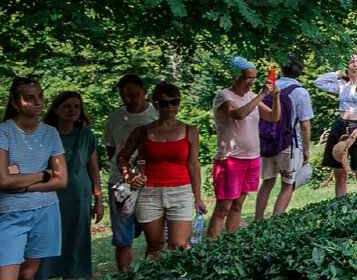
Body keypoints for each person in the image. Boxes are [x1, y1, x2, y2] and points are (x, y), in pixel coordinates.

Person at [0, 77, 67, 280]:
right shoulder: (4, 132)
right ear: (15, 102)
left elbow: (62, 180)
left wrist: (22, 183)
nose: (37, 102)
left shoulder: (51, 133)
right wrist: (41, 175)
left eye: (40, 96)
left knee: (27, 279)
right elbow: (3, 180)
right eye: (29, 98)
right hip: (9, 216)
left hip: (45, 213)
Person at [27, 92, 103, 280]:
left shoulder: (86, 135)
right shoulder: (43, 134)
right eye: (67, 106)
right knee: (40, 247)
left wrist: (98, 198)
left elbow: (93, 168)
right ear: (56, 109)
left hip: (78, 199)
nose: (73, 110)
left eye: (77, 107)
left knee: (75, 244)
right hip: (48, 197)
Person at [116, 82, 205, 260]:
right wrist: (131, 176)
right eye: (164, 103)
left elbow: (193, 165)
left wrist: (198, 197)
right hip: (149, 193)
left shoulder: (190, 130)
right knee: (155, 245)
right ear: (156, 104)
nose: (170, 107)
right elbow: (121, 158)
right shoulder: (142, 131)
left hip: (181, 191)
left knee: (179, 245)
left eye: (174, 102)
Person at [208, 58, 279, 238]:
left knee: (238, 204)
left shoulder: (251, 96)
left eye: (254, 78)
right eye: (247, 78)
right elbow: (239, 114)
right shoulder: (224, 96)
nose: (251, 82)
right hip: (230, 158)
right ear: (234, 77)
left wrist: (275, 98)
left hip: (251, 157)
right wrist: (262, 95)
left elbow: (272, 117)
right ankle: (209, 247)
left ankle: (230, 243)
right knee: (223, 207)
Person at [101, 74, 157, 271]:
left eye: (132, 95)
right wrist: (127, 175)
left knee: (156, 235)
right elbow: (111, 149)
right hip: (121, 184)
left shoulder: (157, 114)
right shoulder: (114, 119)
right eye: (123, 96)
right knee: (123, 237)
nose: (127, 100)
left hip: (152, 183)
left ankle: (155, 279)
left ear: (144, 91)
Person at [255, 54, 314, 219]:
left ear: (281, 69)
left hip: (267, 142)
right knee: (287, 185)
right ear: (300, 72)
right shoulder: (301, 93)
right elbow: (305, 124)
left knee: (267, 182)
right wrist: (306, 149)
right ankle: (275, 222)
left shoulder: (266, 89)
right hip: (290, 144)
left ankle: (257, 221)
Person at [315, 52, 357, 196]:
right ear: (347, 66)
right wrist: (338, 73)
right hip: (339, 127)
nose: (355, 64)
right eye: (351, 62)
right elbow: (318, 82)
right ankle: (340, 212)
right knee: (340, 176)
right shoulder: (341, 85)